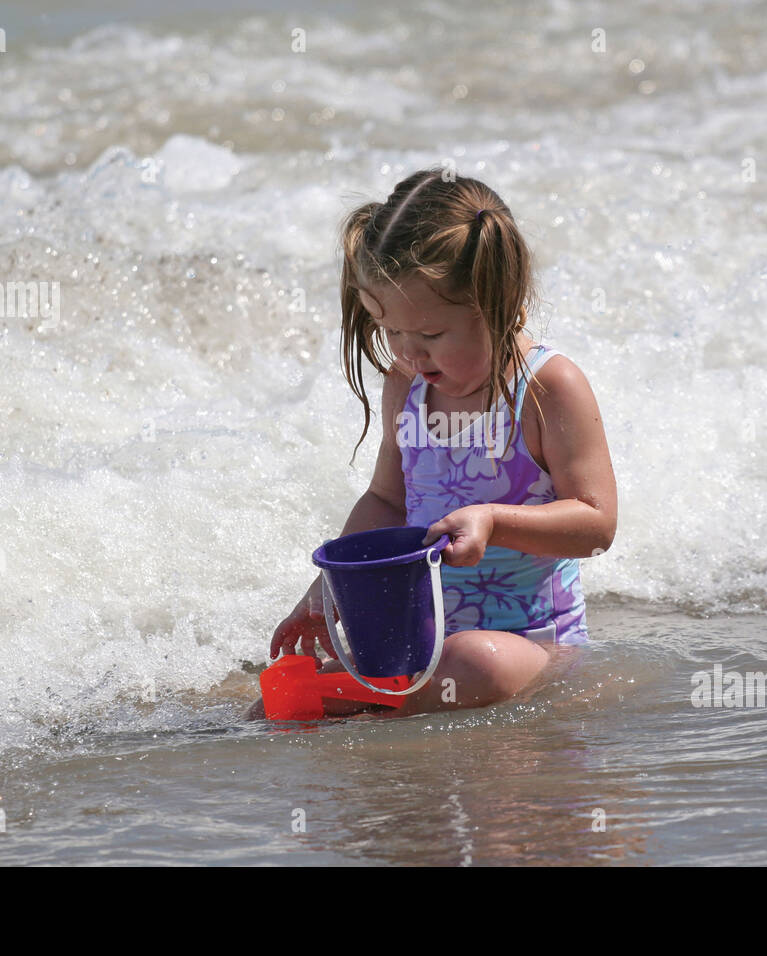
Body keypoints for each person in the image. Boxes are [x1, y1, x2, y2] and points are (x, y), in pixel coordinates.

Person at [261, 167, 617, 717]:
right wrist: (328, 589)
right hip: (421, 642)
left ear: (498, 302)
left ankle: (359, 700)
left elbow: (596, 526)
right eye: (389, 328)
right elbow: (386, 499)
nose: (408, 352)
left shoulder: (547, 388)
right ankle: (359, 695)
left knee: (477, 662)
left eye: (429, 334)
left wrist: (494, 521)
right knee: (294, 684)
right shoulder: (407, 387)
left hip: (532, 644)